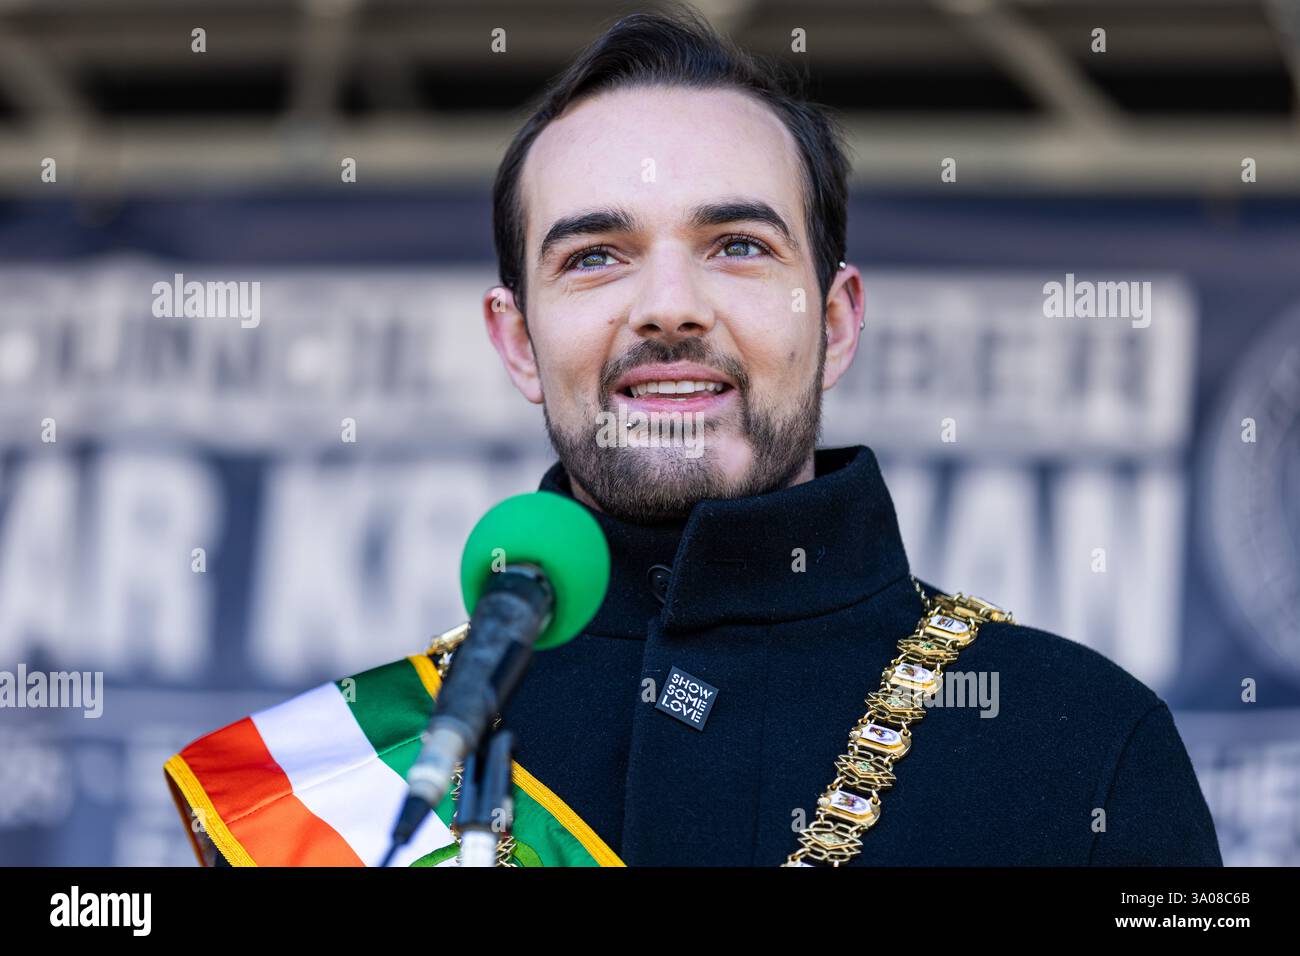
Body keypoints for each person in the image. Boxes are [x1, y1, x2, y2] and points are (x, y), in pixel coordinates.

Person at [164, 4, 1222, 867]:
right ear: (518, 339)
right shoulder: (350, 781)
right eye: (594, 257)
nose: (668, 306)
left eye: (736, 245)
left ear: (837, 318)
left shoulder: (1080, 741)